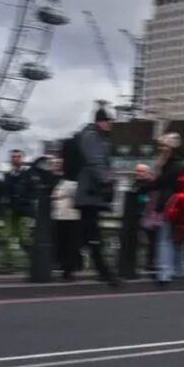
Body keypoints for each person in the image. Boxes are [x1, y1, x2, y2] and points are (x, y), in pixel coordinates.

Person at [74, 105, 120, 286]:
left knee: (86, 233)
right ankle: (105, 272)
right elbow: (96, 162)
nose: (110, 125)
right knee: (92, 233)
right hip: (90, 192)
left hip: (91, 192)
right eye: (107, 121)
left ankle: (69, 265)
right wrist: (106, 181)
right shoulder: (92, 137)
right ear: (100, 122)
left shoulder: (96, 137)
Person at [144, 133, 184, 286]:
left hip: (168, 204)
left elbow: (159, 184)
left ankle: (164, 272)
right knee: (175, 239)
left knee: (164, 239)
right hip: (180, 205)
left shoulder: (169, 165)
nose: (161, 149)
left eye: (163, 146)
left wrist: (143, 186)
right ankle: (180, 270)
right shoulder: (182, 164)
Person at [0, 149, 37, 270]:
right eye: (13, 157)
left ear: (22, 159)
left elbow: (33, 192)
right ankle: (7, 264)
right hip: (10, 210)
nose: (15, 159)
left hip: (23, 210)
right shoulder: (7, 175)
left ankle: (35, 261)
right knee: (5, 237)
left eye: (18, 157)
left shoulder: (28, 175)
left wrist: (27, 204)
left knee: (24, 238)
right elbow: (4, 193)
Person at [49, 157, 82, 279]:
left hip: (70, 215)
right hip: (58, 214)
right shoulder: (55, 179)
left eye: (60, 163)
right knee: (60, 242)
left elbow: (72, 193)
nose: (57, 165)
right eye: (55, 163)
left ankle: (70, 266)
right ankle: (62, 264)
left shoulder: (73, 179)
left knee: (69, 242)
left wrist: (59, 195)